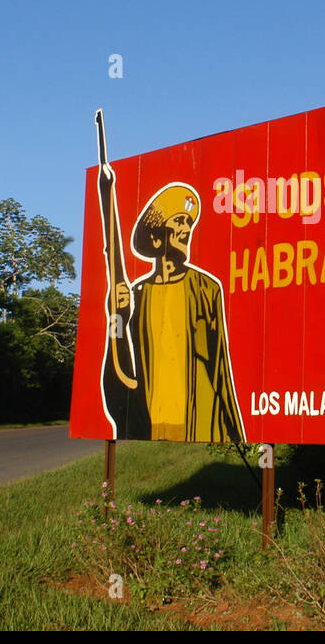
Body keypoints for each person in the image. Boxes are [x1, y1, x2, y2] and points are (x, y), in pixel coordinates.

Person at [97, 166, 245, 443]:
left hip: (200, 425)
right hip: (152, 426)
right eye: (178, 220)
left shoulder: (206, 288)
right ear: (155, 235)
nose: (186, 228)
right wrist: (116, 316)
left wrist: (234, 433)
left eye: (188, 222)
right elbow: (119, 375)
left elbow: (221, 371)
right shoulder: (137, 293)